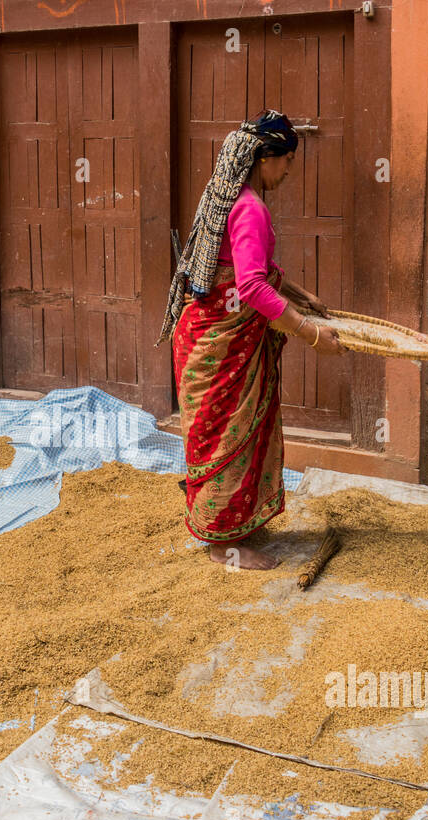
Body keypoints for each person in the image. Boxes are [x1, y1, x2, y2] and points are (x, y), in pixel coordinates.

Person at [160, 109, 344, 571]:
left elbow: (248, 271)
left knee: (225, 434)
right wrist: (312, 334)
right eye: (286, 162)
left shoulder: (231, 201)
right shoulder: (252, 209)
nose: (287, 172)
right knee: (226, 437)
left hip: (202, 336)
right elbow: (252, 288)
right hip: (220, 346)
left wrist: (302, 296)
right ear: (266, 159)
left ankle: (232, 523)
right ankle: (225, 545)